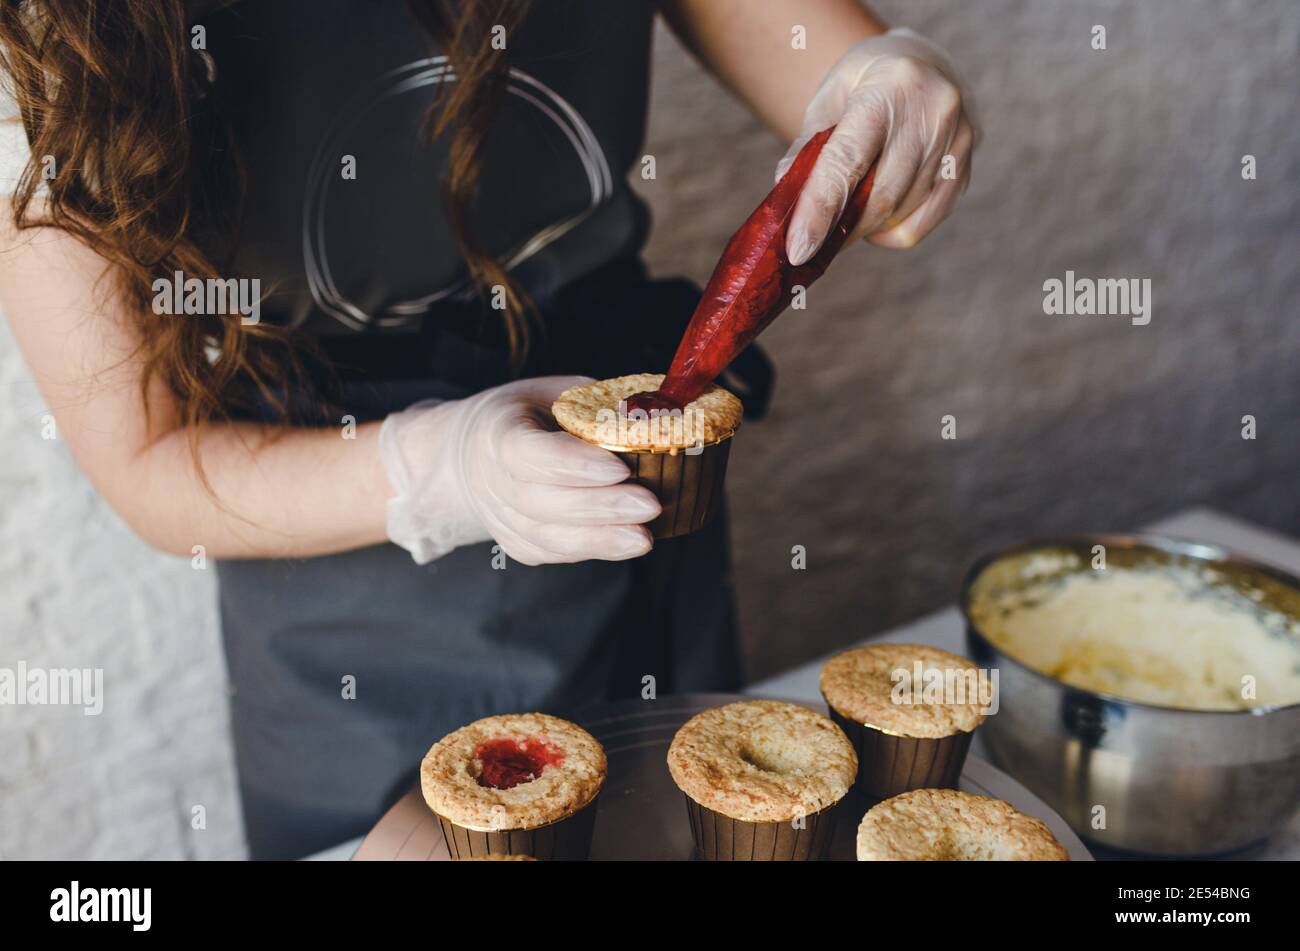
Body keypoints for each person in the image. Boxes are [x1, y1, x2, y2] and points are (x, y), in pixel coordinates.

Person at [0, 0, 976, 858]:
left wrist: (889, 88)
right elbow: (148, 466)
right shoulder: (50, 30)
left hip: (637, 481)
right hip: (336, 571)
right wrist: (441, 469)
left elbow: (864, 159)